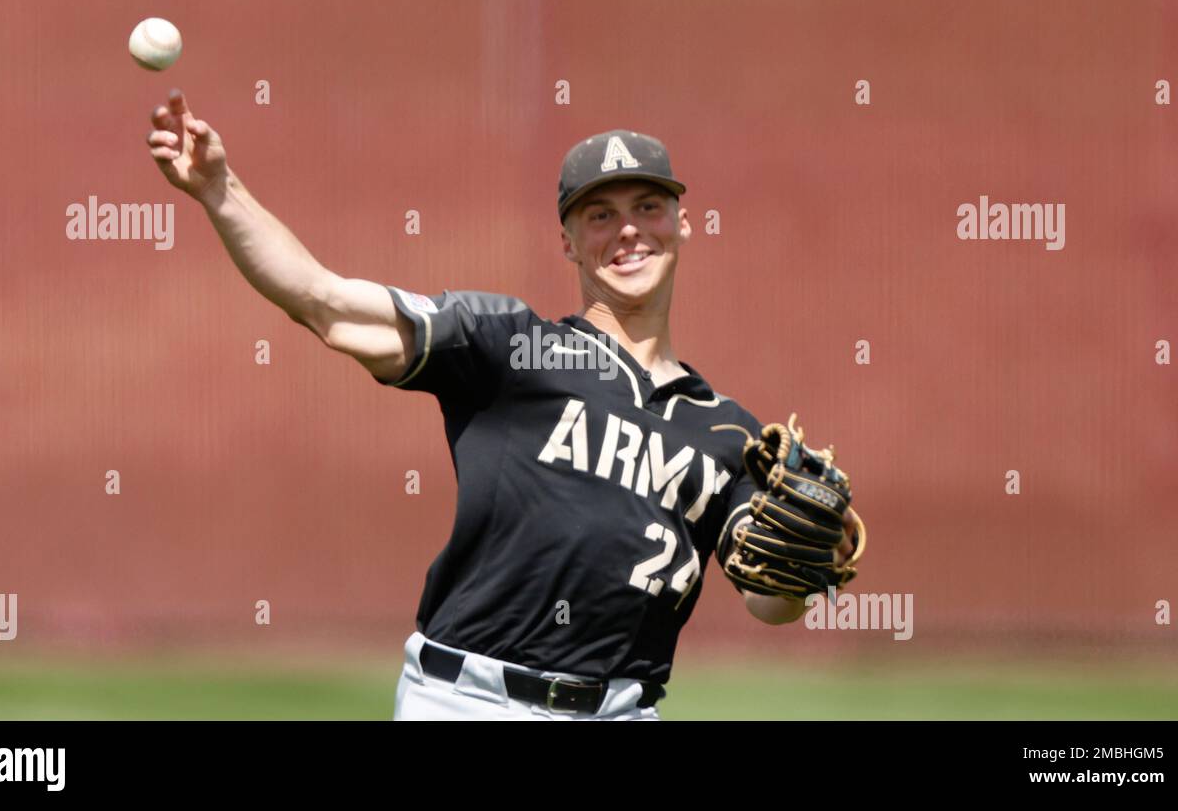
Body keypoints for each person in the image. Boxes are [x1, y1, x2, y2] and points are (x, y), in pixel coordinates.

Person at [145, 91, 858, 720]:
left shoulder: (725, 430)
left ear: (683, 221)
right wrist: (220, 189)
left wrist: (805, 562)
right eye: (600, 214)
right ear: (568, 242)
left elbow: (768, 600)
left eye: (649, 206)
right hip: (470, 701)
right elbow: (326, 304)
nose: (629, 231)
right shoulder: (511, 349)